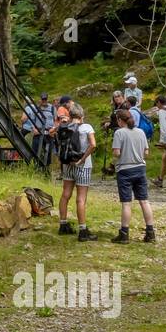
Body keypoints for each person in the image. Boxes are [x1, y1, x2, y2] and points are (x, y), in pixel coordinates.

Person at [111, 109, 156, 242]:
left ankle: (124, 234)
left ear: (120, 120)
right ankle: (150, 232)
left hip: (125, 170)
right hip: (140, 168)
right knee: (144, 201)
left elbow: (117, 153)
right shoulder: (141, 132)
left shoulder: (119, 133)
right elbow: (146, 153)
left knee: (126, 203)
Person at [56, 103, 97, 242]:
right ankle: (83, 230)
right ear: (81, 116)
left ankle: (63, 224)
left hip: (67, 165)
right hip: (82, 166)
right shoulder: (87, 127)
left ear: (70, 115)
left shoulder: (64, 127)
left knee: (65, 195)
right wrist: (83, 159)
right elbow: (93, 144)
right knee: (81, 198)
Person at [22, 92, 56, 166]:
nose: (44, 101)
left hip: (49, 133)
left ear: (47, 99)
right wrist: (33, 128)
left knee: (48, 152)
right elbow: (32, 120)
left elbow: (56, 121)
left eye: (45, 99)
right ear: (40, 99)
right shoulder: (36, 108)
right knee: (35, 151)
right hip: (38, 132)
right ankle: (35, 167)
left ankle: (46, 168)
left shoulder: (53, 108)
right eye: (43, 99)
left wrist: (53, 129)